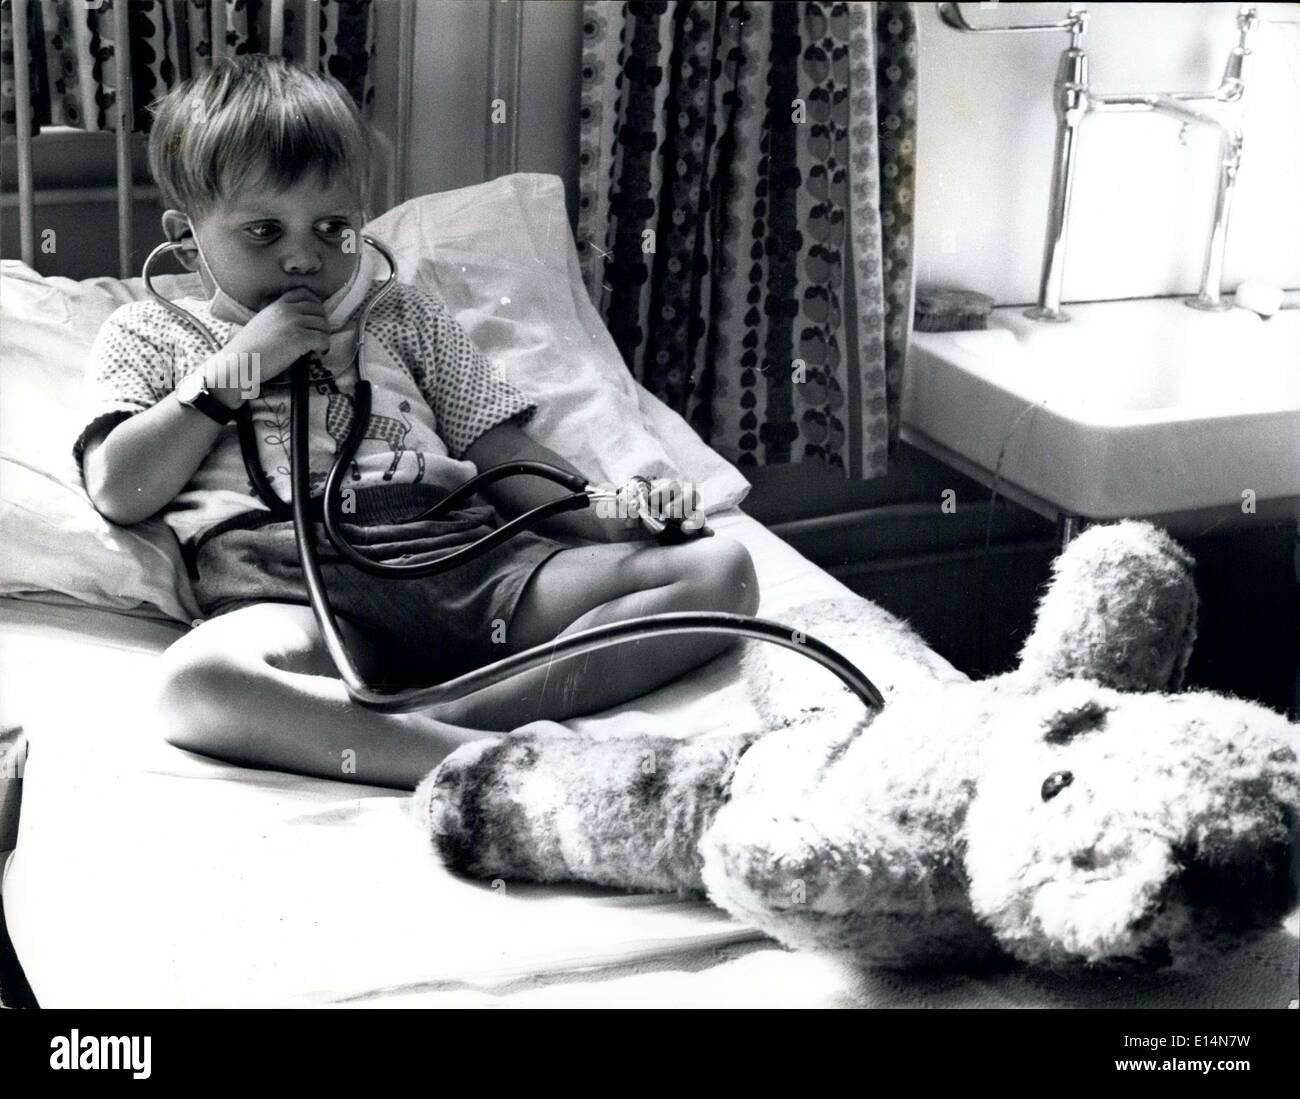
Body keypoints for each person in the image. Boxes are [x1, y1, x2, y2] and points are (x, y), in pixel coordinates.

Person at [75, 56, 759, 789]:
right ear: (186, 239)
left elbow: (504, 454)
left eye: (332, 227)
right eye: (264, 231)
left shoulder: (405, 316)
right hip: (297, 592)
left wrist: (612, 514)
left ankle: (452, 721)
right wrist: (243, 364)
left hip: (469, 565)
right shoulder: (150, 333)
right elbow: (121, 488)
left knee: (721, 572)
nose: (303, 257)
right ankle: (463, 758)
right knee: (195, 684)